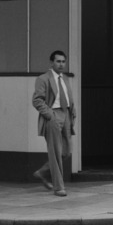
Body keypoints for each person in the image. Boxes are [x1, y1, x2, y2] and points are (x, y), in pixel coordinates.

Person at [31, 49, 75, 196]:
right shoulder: (43, 78)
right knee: (55, 153)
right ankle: (59, 187)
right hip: (53, 115)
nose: (61, 64)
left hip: (66, 115)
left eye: (63, 61)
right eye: (58, 61)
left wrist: (72, 113)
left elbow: (69, 97)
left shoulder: (66, 78)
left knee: (66, 152)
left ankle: (43, 173)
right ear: (52, 62)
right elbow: (37, 100)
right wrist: (50, 115)